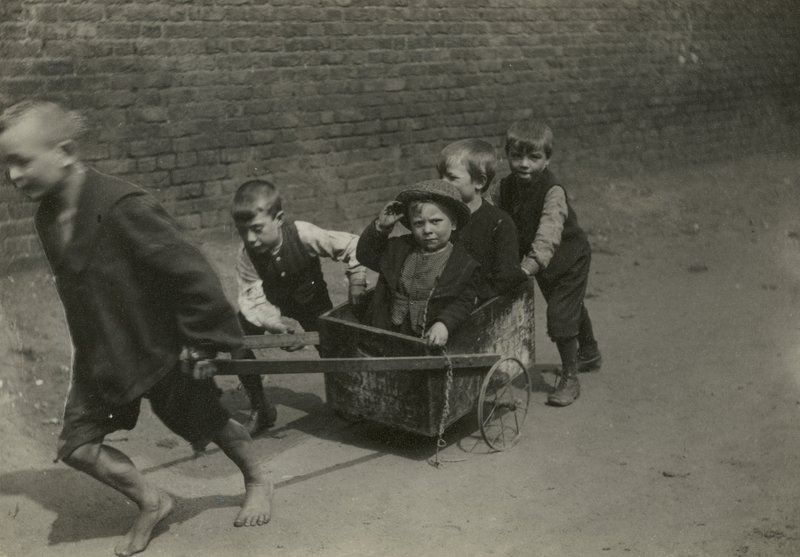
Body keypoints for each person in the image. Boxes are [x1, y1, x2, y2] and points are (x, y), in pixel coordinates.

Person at [0, 100, 272, 557]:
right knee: (78, 448)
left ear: (64, 152)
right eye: (7, 165)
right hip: (103, 353)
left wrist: (203, 344)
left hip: (158, 346)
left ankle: (257, 479)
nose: (13, 175)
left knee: (207, 420)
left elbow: (191, 275)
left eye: (22, 161)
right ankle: (152, 500)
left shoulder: (122, 206)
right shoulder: (46, 217)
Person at [231, 179, 367, 434]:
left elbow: (353, 245)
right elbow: (253, 300)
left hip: (310, 301)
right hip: (268, 304)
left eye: (257, 229)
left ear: (278, 219)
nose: (250, 239)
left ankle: (345, 398)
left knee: (332, 346)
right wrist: (276, 325)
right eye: (242, 231)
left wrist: (357, 279)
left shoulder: (304, 234)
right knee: (237, 342)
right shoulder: (245, 256)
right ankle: (261, 408)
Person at [496, 119, 602, 407]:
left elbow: (548, 234)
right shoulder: (505, 188)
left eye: (534, 157)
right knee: (569, 306)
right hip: (543, 264)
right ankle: (589, 351)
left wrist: (526, 267)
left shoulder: (553, 192)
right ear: (507, 155)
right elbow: (493, 217)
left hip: (568, 258)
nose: (524, 164)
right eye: (516, 156)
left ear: (547, 159)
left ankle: (570, 376)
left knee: (560, 314)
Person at [356, 179, 480, 347]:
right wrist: (381, 227)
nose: (427, 230)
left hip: (429, 336)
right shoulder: (399, 248)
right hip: (390, 331)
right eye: (419, 223)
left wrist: (444, 323)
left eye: (436, 221)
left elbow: (464, 301)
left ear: (453, 223)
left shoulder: (463, 263)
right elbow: (365, 255)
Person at [437, 138, 527, 300]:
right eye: (441, 176)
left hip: (478, 302)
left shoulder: (499, 223)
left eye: (452, 177)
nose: (443, 183)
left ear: (479, 181)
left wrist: (470, 298)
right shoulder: (439, 217)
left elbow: (508, 276)